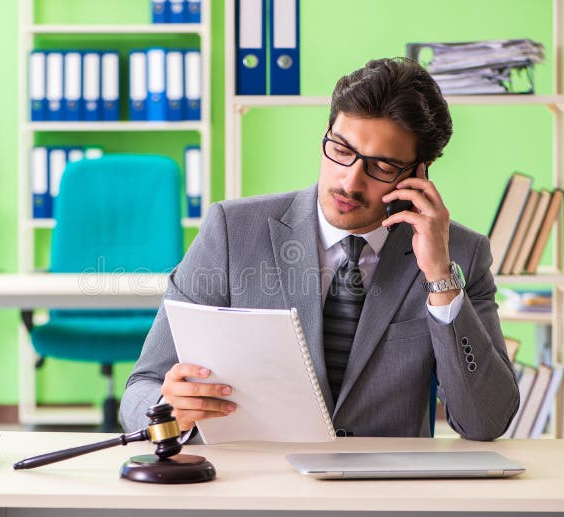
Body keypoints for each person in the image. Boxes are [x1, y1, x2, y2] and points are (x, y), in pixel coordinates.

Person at [120, 57, 519, 441]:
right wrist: (170, 410)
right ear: (325, 134)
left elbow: (486, 421)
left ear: (417, 175)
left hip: (384, 483)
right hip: (256, 476)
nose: (350, 181)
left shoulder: (459, 255)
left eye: (381, 167)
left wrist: (439, 278)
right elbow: (141, 389)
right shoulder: (231, 231)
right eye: (341, 150)